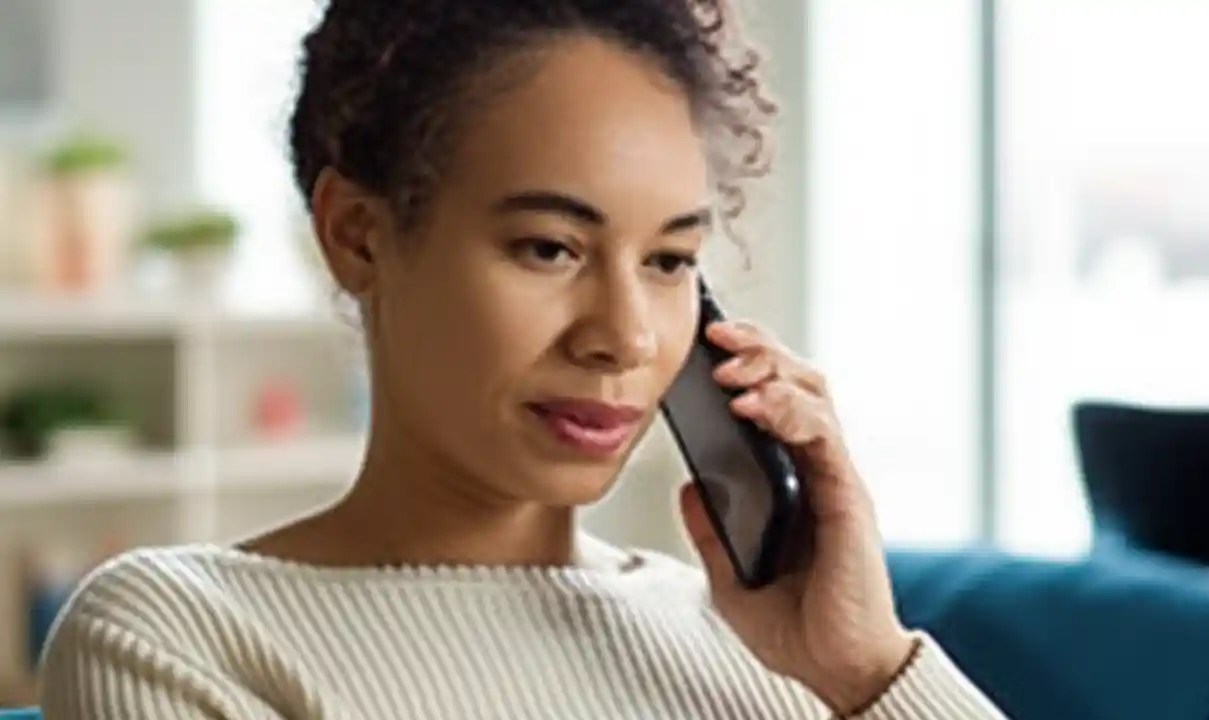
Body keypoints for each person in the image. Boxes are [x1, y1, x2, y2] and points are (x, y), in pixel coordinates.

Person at [39, 1, 1007, 717]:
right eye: (550, 247)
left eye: (669, 260)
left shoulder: (762, 644)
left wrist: (867, 671)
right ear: (358, 235)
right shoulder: (176, 633)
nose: (624, 335)